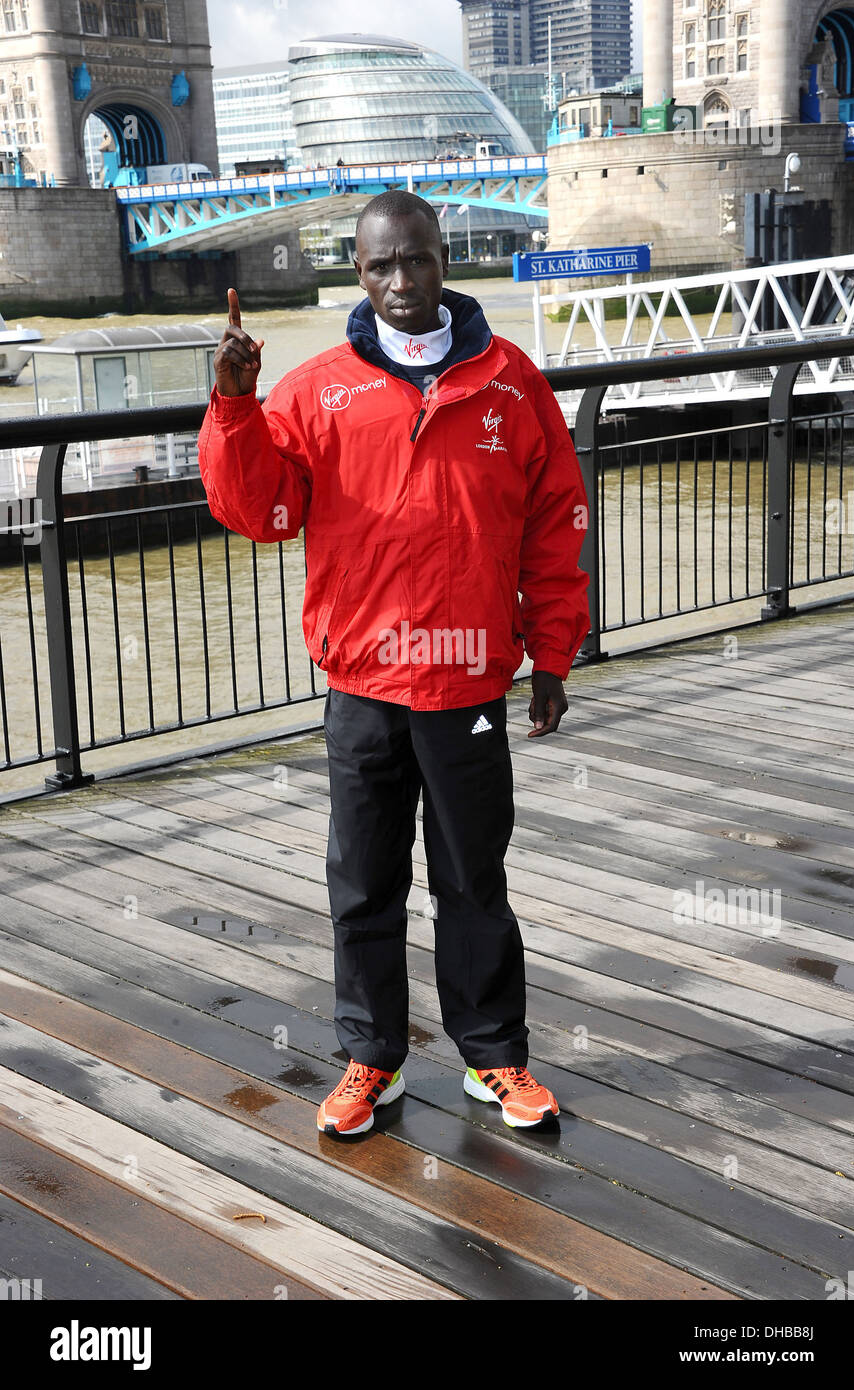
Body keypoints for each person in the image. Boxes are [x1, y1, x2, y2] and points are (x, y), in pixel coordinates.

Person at [197, 190, 589, 1138]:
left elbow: (553, 523)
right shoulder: (314, 388)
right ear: (357, 273)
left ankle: (494, 1059)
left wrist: (553, 654)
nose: (402, 282)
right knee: (364, 881)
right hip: (364, 682)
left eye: (416, 260)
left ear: (443, 257)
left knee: (473, 880)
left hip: (467, 676)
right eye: (381, 266)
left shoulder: (510, 382)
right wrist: (236, 402)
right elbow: (261, 513)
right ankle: (372, 1058)